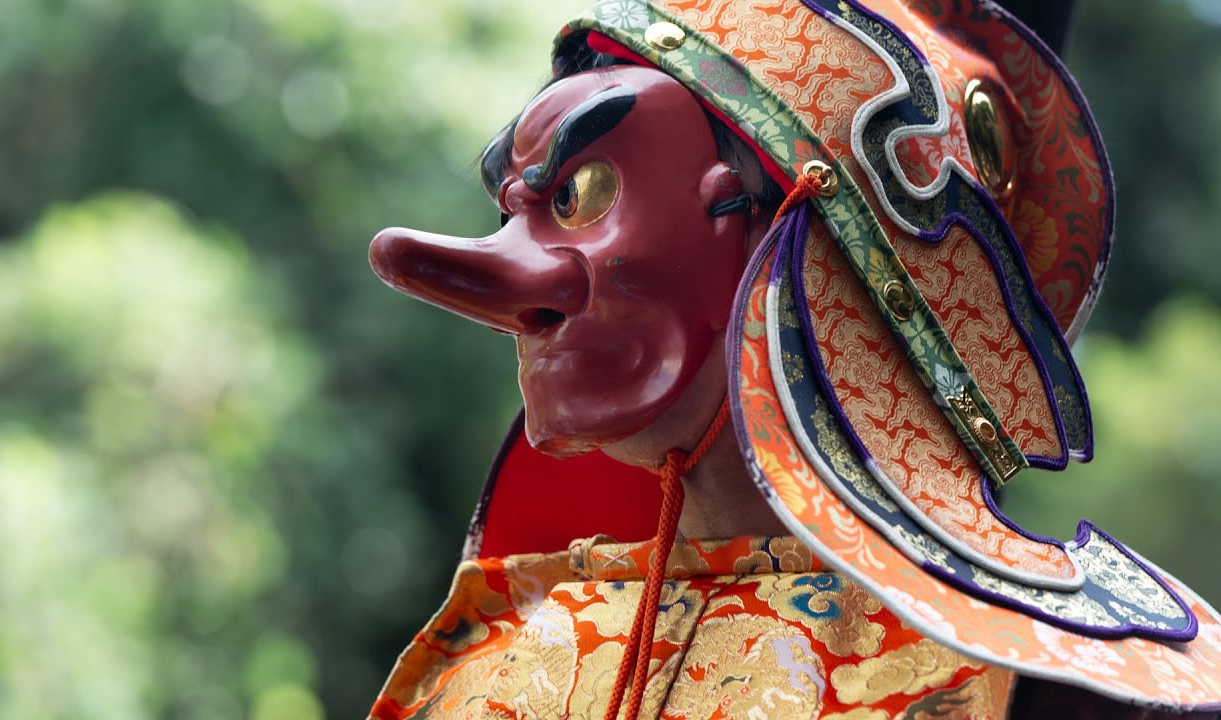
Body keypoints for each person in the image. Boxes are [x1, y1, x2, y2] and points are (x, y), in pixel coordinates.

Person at [366, 1, 1221, 717]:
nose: (520, 286)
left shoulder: (1060, 691)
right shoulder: (490, 676)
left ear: (812, 234)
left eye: (581, 195)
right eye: (518, 210)